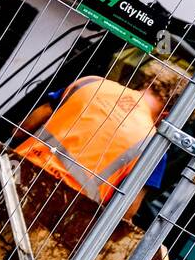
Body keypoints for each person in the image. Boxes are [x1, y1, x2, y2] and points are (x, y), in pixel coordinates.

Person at [14, 63, 183, 206]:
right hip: (60, 208)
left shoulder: (91, 83)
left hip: (13, 173)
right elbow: (126, 211)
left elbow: (21, 129)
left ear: (148, 82)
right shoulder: (153, 145)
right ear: (167, 115)